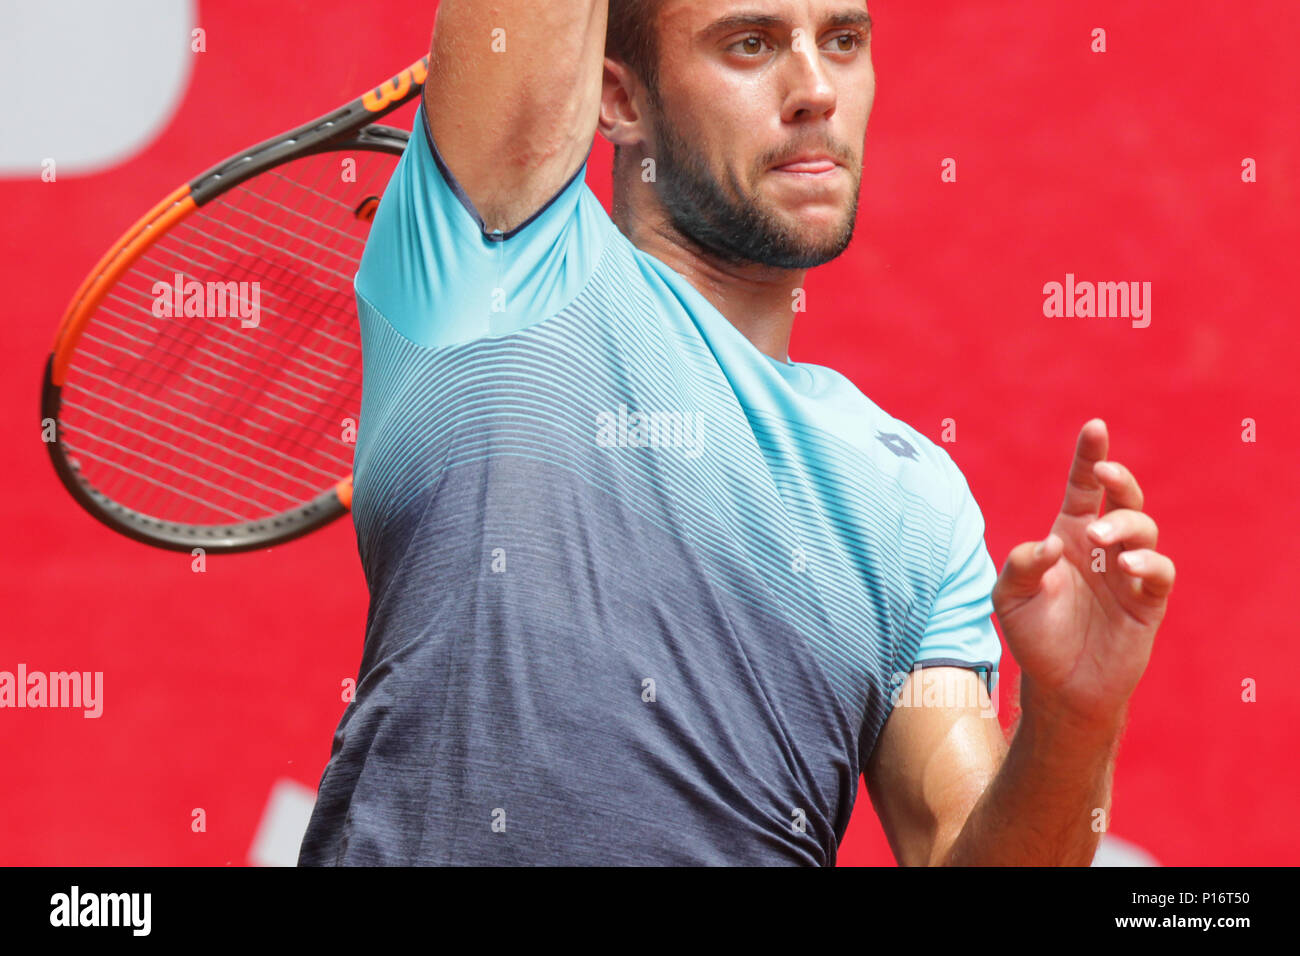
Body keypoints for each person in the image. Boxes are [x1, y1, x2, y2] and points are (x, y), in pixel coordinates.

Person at [298, 0, 1175, 866]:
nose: (815, 89)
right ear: (618, 99)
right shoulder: (501, 261)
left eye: (843, 41)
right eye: (750, 44)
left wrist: (1073, 720)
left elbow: (962, 851)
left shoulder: (917, 507)